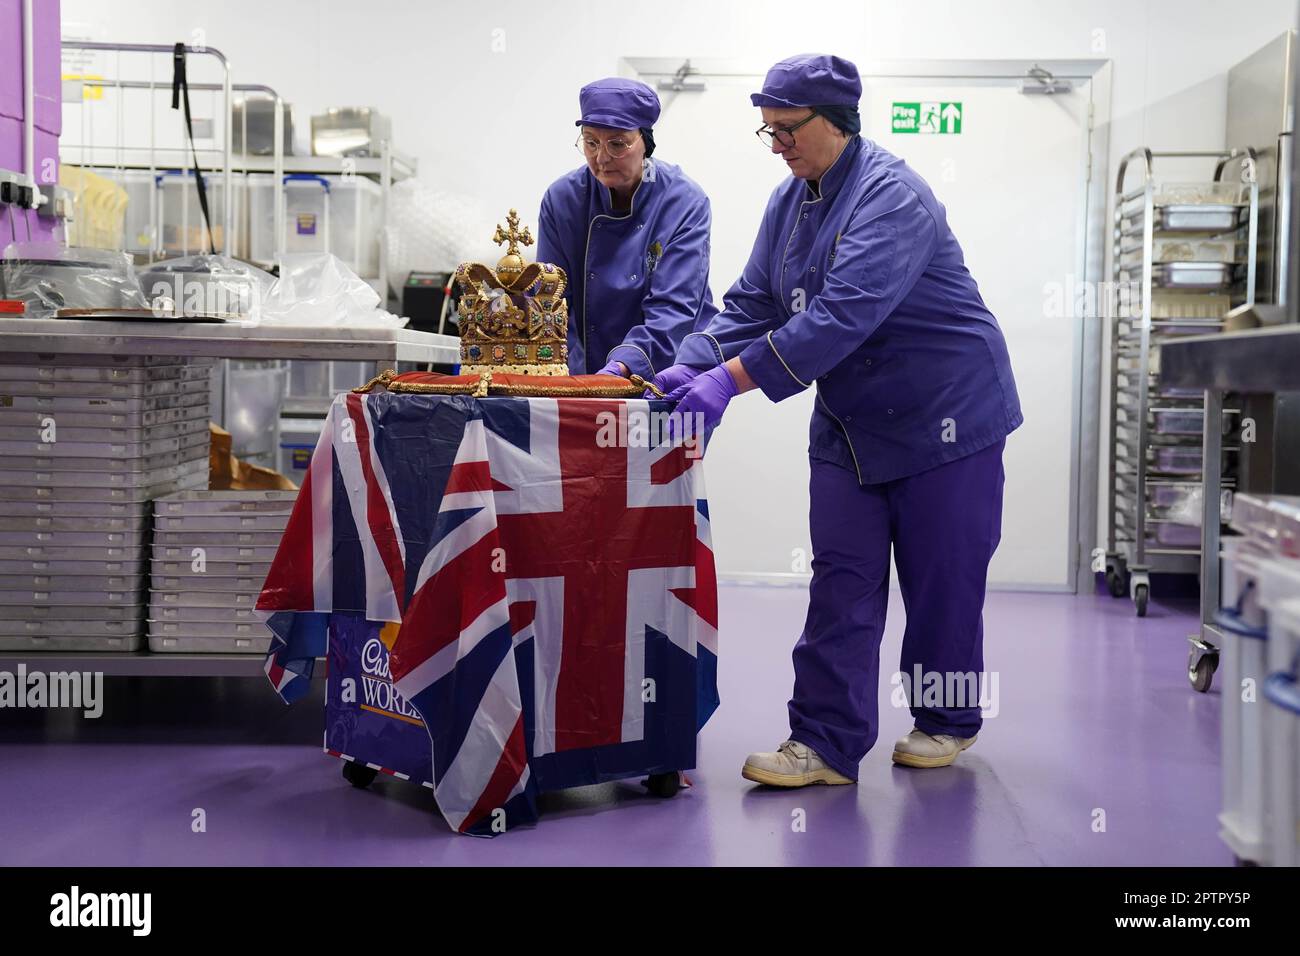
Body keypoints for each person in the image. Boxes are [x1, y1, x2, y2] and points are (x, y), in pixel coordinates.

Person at [653, 54, 1023, 786]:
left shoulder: (894, 198)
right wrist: (693, 359)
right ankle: (822, 743)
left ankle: (946, 720)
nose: (779, 144)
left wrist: (727, 383)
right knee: (841, 580)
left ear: (839, 123)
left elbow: (838, 318)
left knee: (942, 579)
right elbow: (753, 303)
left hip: (947, 413)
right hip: (853, 422)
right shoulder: (790, 202)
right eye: (769, 132)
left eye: (788, 129)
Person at [537, 77, 718, 379]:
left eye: (617, 144)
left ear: (645, 143)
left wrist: (621, 368)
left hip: (670, 366)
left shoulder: (683, 201)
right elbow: (551, 304)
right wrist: (569, 382)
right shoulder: (563, 200)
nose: (602, 157)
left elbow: (673, 310)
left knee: (663, 426)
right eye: (590, 142)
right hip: (584, 374)